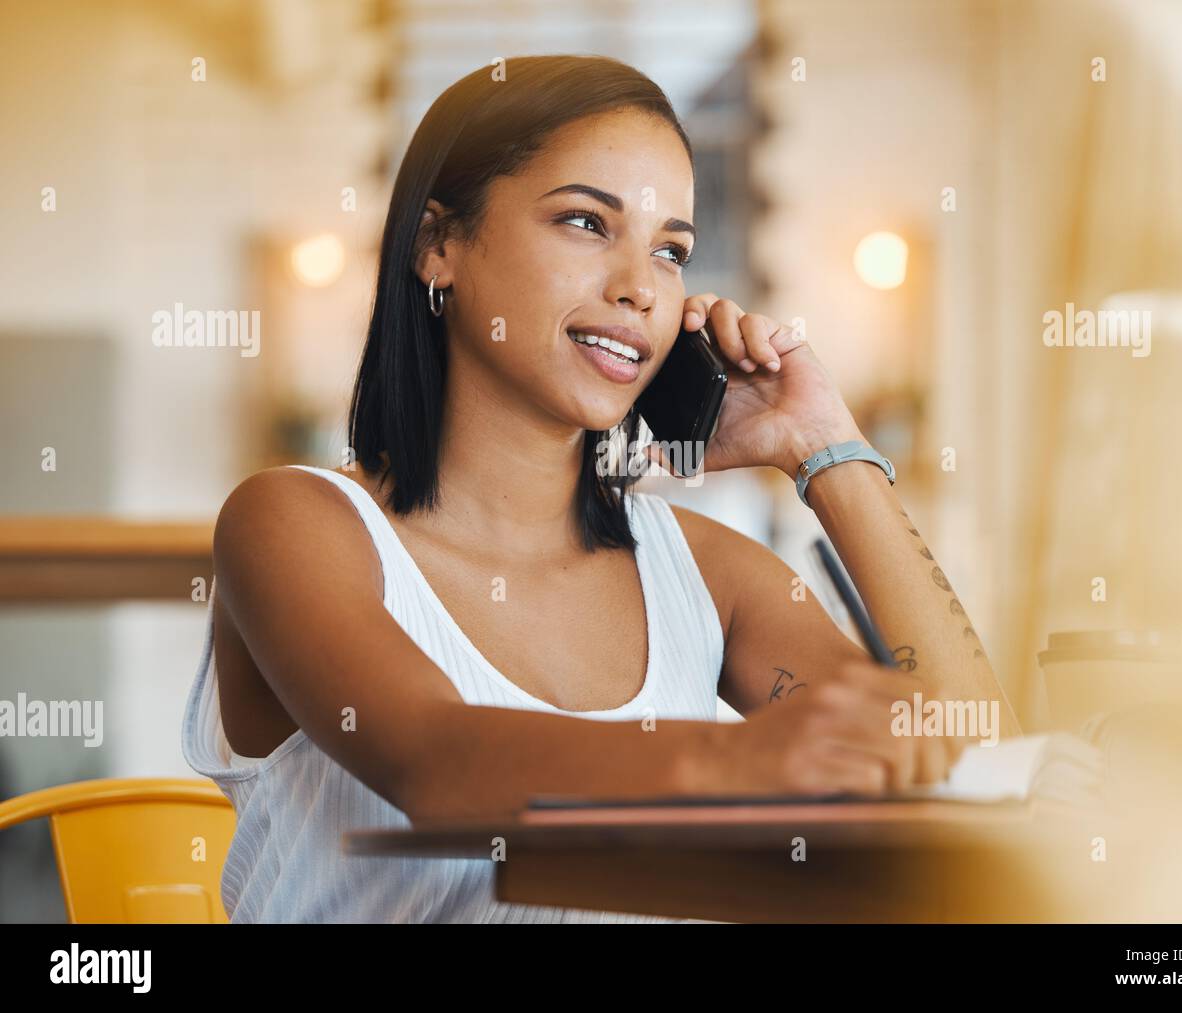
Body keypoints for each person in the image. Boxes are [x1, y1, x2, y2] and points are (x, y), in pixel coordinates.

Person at [182, 54, 1019, 923]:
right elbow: (441, 764)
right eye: (586, 221)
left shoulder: (702, 572)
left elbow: (978, 775)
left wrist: (827, 448)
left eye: (670, 250)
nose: (638, 289)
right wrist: (748, 761)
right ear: (439, 245)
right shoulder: (293, 525)